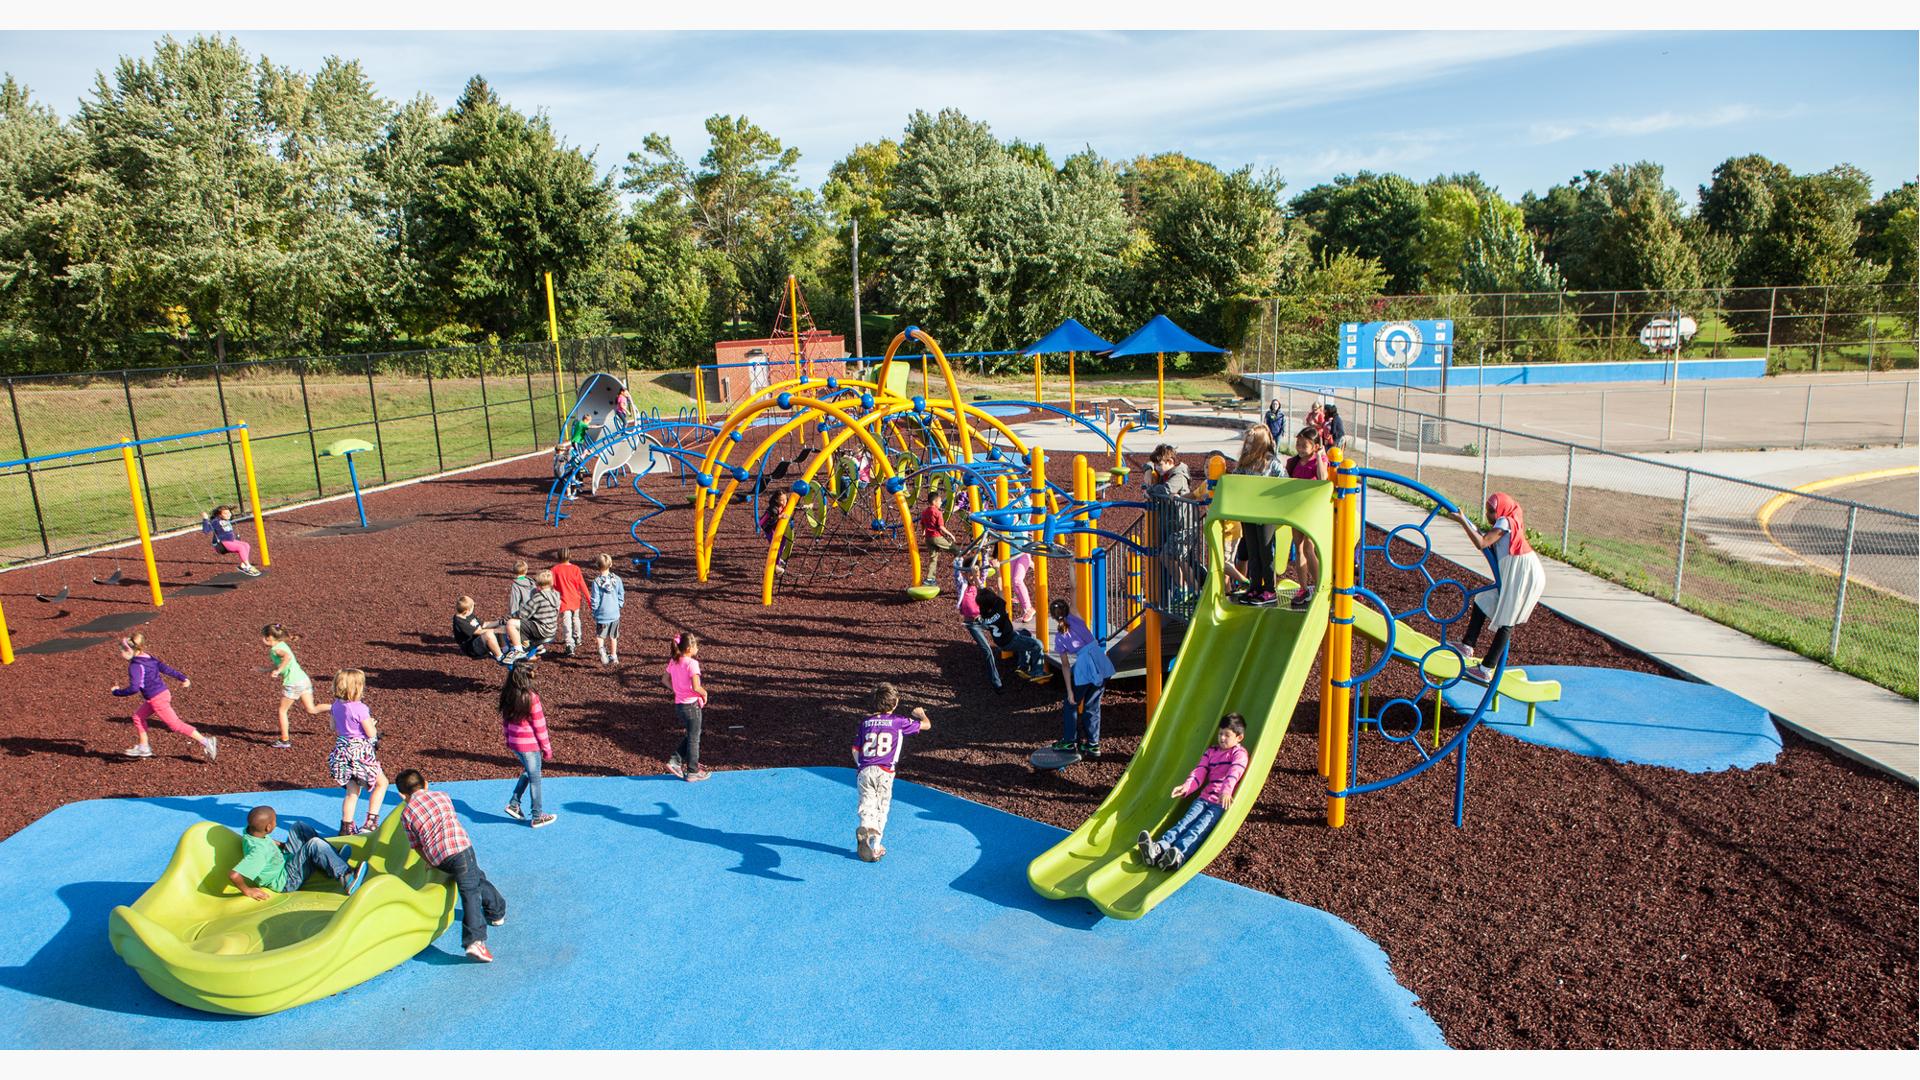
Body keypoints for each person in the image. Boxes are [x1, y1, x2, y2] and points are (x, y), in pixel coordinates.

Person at [396, 769, 505, 963]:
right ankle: (475, 941)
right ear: (426, 784)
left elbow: (417, 846)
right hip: (459, 848)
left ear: (402, 795)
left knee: (474, 877)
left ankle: (496, 909)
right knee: (470, 890)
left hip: (439, 858)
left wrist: (430, 862)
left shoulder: (406, 814)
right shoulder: (442, 796)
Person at [1451, 492, 1548, 683]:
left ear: (1502, 510)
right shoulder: (1502, 524)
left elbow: (1482, 542)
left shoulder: (1505, 521)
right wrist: (1468, 523)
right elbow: (1484, 539)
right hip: (1516, 571)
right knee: (1483, 599)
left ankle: (1486, 668)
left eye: (1492, 511)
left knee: (1507, 618)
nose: (1489, 515)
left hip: (1524, 572)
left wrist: (1463, 521)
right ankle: (1467, 645)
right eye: (1487, 510)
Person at [1136, 714, 1249, 871]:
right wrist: (1186, 786)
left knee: (1198, 829)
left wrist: (1226, 791)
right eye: (1220, 734)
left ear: (1239, 737)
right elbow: (1199, 771)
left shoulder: (1239, 754)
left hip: (1220, 803)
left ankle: (1178, 856)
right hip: (1204, 798)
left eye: (1227, 735)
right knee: (1183, 824)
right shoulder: (1211, 752)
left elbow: (1235, 772)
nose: (1222, 738)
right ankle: (1158, 849)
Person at [851, 683, 931, 863]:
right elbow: (927, 725)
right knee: (882, 807)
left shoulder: (866, 723)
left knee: (866, 803)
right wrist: (921, 714)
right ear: (895, 703)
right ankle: (876, 846)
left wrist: (861, 766)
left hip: (864, 769)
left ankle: (864, 826)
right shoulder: (898, 722)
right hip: (884, 771)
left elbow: (855, 749)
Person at [111, 632, 217, 761]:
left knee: (176, 725)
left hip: (157, 699)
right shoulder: (148, 657)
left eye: (121, 650)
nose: (120, 653)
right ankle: (144, 746)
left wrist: (117, 692)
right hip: (162, 694)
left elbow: (134, 688)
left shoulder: (135, 666)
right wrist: (182, 677)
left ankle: (207, 742)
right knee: (138, 717)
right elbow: (165, 668)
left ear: (129, 650)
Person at [229, 805, 366, 901]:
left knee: (299, 827)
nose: (276, 824)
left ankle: (331, 858)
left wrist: (282, 845)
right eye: (275, 821)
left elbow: (266, 843)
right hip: (287, 881)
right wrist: (247, 890)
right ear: (268, 827)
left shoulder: (251, 833)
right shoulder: (258, 853)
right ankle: (347, 878)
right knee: (314, 844)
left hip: (285, 861)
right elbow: (234, 875)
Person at [1048, 598, 1116, 758]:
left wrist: (1070, 691)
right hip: (1100, 661)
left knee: (1071, 704)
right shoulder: (1077, 619)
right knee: (1093, 705)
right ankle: (1093, 745)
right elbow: (1073, 589)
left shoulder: (1059, 637)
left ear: (1052, 616)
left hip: (1085, 667)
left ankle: (1069, 741)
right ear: (1068, 610)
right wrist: (1072, 571)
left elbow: (1065, 666)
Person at [327, 669, 389, 837]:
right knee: (382, 783)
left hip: (342, 751)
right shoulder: (360, 708)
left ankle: (346, 827)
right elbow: (370, 733)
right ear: (357, 687)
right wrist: (373, 724)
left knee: (352, 792)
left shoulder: (335, 705)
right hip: (360, 753)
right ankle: (370, 822)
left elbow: (334, 728)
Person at [1232, 425, 1286, 606]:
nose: (1247, 445)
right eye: (1247, 442)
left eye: (1250, 442)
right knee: (1253, 550)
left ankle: (1269, 589)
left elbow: (1284, 482)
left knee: (1266, 550)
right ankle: (1254, 586)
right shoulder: (1245, 463)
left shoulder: (1272, 463)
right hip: (1249, 512)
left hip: (1266, 514)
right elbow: (1235, 478)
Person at [498, 666, 556, 828]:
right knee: (535, 778)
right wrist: (546, 747)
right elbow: (539, 725)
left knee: (530, 771)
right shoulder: (531, 698)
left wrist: (508, 739)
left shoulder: (508, 695)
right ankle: (537, 815)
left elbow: (505, 721)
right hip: (530, 745)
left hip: (516, 743)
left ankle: (514, 803)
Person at [1283, 427, 1331, 610]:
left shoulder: (1318, 460)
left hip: (1311, 510)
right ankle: (1303, 588)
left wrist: (1319, 455)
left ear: (1315, 446)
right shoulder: (1293, 463)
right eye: (1298, 444)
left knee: (1310, 547)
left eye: (1304, 445)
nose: (1300, 448)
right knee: (1299, 547)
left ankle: (1319, 585)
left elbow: (1323, 478)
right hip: (1297, 509)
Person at [261, 624, 321, 749]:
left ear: (269, 638)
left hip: (293, 683)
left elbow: (286, 658)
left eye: (263, 636)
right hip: (303, 679)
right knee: (311, 709)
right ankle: (338, 708)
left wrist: (278, 671)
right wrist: (265, 669)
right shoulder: (282, 645)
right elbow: (282, 662)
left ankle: (285, 740)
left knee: (282, 711)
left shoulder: (275, 649)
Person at [663, 632, 710, 782]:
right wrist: (705, 694)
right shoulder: (692, 664)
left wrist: (677, 690)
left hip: (680, 705)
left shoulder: (674, 661)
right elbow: (696, 687)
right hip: (691, 706)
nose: (697, 648)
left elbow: (664, 679)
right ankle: (692, 771)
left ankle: (676, 761)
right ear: (689, 648)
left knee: (691, 734)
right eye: (696, 645)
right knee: (694, 738)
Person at [503, 569, 560, 664]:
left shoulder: (538, 597)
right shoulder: (556, 595)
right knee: (524, 625)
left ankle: (518, 651)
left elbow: (523, 615)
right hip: (552, 628)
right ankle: (528, 648)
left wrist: (508, 618)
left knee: (511, 624)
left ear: (537, 584)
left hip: (542, 630)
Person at [199, 505, 261, 577]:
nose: (228, 515)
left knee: (246, 545)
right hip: (222, 544)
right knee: (241, 548)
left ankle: (243, 565)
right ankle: (248, 566)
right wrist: (205, 519)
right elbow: (206, 530)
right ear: (219, 515)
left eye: (229, 513)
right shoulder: (215, 521)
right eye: (225, 513)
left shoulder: (226, 519)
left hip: (231, 540)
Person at [550, 549, 590, 657]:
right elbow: (582, 585)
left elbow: (551, 585)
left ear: (558, 557)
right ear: (570, 556)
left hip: (563, 599)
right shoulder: (575, 569)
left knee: (566, 620)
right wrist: (589, 600)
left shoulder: (555, 569)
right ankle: (578, 637)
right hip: (575, 598)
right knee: (576, 618)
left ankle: (569, 642)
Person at [588, 553, 627, 665]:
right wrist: (619, 605)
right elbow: (621, 594)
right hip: (614, 613)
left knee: (600, 635)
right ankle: (614, 656)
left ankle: (602, 649)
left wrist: (594, 610)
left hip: (602, 614)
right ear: (611, 564)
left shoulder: (596, 582)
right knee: (613, 636)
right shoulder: (617, 579)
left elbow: (595, 599)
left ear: (597, 566)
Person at [452, 596, 506, 661]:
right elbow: (478, 632)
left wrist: (500, 622)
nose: (474, 608)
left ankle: (505, 649)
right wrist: (497, 630)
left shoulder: (468, 615)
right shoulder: (459, 621)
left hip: (479, 640)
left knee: (500, 626)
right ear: (468, 610)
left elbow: (484, 624)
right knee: (489, 634)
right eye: (473, 607)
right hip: (471, 648)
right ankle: (500, 657)